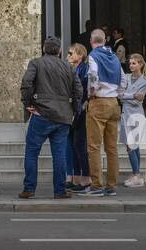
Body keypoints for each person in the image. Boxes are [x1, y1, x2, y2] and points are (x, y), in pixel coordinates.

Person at [18, 37, 82, 199]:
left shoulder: (36, 63)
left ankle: (29, 188)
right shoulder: (68, 67)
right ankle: (59, 190)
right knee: (59, 155)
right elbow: (78, 90)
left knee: (32, 152)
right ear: (60, 51)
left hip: (41, 114)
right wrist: (74, 110)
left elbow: (26, 83)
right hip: (62, 117)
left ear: (44, 49)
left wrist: (28, 103)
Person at [83, 27, 122, 196]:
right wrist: (117, 94)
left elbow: (93, 78)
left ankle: (97, 185)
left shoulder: (93, 56)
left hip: (99, 102)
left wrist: (91, 93)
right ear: (105, 41)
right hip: (114, 102)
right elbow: (123, 80)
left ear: (92, 42)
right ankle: (111, 186)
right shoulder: (114, 57)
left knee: (93, 146)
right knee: (111, 148)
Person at [121, 52, 146, 187]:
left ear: (141, 64)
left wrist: (127, 95)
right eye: (130, 63)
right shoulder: (126, 77)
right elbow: (119, 95)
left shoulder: (145, 81)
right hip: (125, 115)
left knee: (131, 146)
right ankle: (136, 174)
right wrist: (133, 95)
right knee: (133, 146)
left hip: (136, 116)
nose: (131, 65)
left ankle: (136, 175)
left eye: (134, 63)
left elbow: (138, 100)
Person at [65, 42, 91, 192]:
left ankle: (86, 178)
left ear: (80, 55)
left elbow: (84, 92)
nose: (68, 56)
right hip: (71, 112)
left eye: (71, 53)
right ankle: (75, 177)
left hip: (80, 112)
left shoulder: (84, 70)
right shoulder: (72, 68)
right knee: (72, 145)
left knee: (79, 145)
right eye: (68, 53)